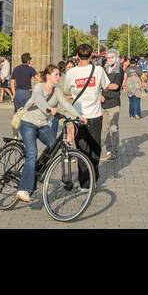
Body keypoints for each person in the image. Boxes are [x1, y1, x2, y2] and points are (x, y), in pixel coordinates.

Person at [15, 64, 80, 204]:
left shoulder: (57, 91)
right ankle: (24, 189)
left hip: (43, 125)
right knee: (32, 153)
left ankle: (36, 171)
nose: (59, 77)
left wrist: (79, 117)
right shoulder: (39, 87)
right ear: (48, 76)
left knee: (54, 145)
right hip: (28, 124)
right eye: (56, 74)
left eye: (59, 74)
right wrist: (50, 109)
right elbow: (39, 101)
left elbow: (66, 105)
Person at [61, 44, 109, 188]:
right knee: (95, 147)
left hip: (78, 116)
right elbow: (106, 86)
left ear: (77, 55)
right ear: (91, 55)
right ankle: (93, 176)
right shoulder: (99, 70)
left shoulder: (71, 73)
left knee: (82, 149)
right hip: (95, 115)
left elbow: (66, 89)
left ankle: (84, 183)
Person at [100, 53, 123, 162]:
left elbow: (115, 86)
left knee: (113, 128)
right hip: (103, 103)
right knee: (104, 129)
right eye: (108, 57)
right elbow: (98, 85)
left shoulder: (119, 70)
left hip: (114, 103)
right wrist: (99, 94)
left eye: (112, 57)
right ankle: (109, 149)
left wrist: (103, 84)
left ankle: (115, 152)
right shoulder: (103, 70)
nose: (109, 59)